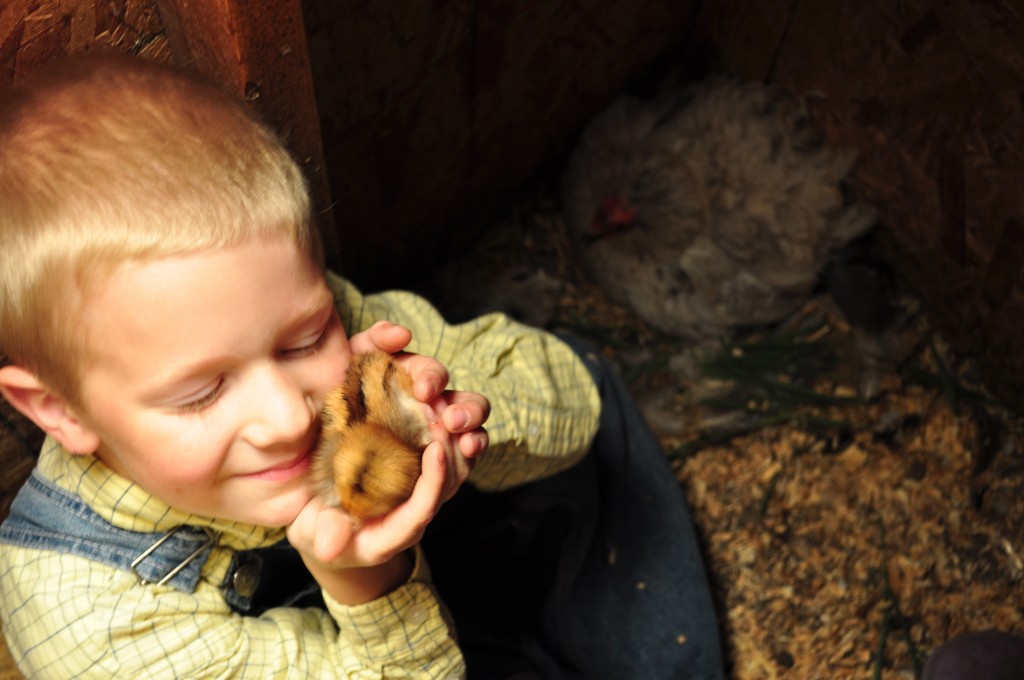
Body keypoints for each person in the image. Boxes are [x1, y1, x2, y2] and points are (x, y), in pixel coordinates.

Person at [0, 50, 724, 679]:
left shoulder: (330, 327)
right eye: (199, 392)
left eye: (302, 341)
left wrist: (449, 422)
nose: (289, 418)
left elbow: (579, 404)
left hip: (487, 558)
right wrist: (365, 580)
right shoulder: (93, 628)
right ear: (59, 409)